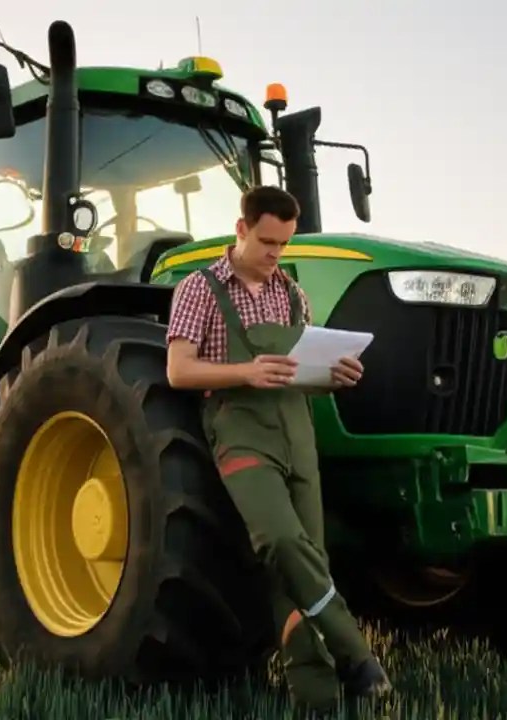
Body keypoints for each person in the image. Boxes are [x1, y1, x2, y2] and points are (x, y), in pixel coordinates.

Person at [164, 185, 391, 711]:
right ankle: (356, 652)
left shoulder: (291, 293)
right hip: (239, 428)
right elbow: (178, 370)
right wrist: (245, 371)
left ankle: (317, 696)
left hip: (297, 431)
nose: (274, 255)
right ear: (241, 229)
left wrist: (334, 375)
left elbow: (300, 372)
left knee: (308, 561)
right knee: (280, 540)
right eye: (267, 241)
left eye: (283, 244)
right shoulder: (199, 289)